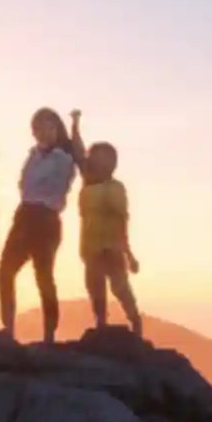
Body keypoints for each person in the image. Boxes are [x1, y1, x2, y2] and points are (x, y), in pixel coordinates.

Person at [0, 106, 78, 344]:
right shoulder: (33, 155)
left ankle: (49, 334)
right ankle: (8, 330)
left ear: (56, 128)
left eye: (46, 127)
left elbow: (57, 179)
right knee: (5, 272)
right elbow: (24, 185)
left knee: (43, 276)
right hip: (25, 214)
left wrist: (75, 125)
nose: (41, 133)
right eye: (37, 128)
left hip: (46, 216)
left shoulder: (64, 158)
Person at [71, 110, 144, 336]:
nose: (92, 161)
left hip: (110, 247)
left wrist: (128, 253)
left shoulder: (115, 188)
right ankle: (101, 323)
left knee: (119, 286)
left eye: (99, 158)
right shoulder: (89, 183)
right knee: (95, 286)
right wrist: (75, 125)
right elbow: (78, 153)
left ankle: (135, 321)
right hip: (90, 247)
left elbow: (122, 220)